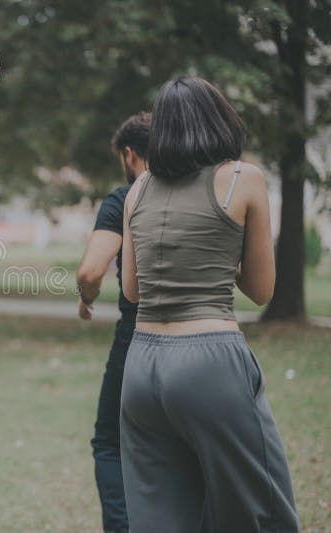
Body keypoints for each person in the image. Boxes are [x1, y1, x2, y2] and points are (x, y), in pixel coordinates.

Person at [120, 77, 299, 532]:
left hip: (141, 367)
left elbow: (132, 290)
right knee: (260, 510)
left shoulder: (137, 189)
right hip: (209, 360)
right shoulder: (242, 177)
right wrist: (218, 258)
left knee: (162, 517)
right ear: (220, 120)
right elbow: (262, 290)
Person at [76, 111, 149, 533]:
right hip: (203, 334)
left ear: (130, 154)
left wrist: (86, 301)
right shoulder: (198, 193)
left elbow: (90, 272)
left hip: (136, 337)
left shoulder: (125, 198)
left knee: (110, 445)